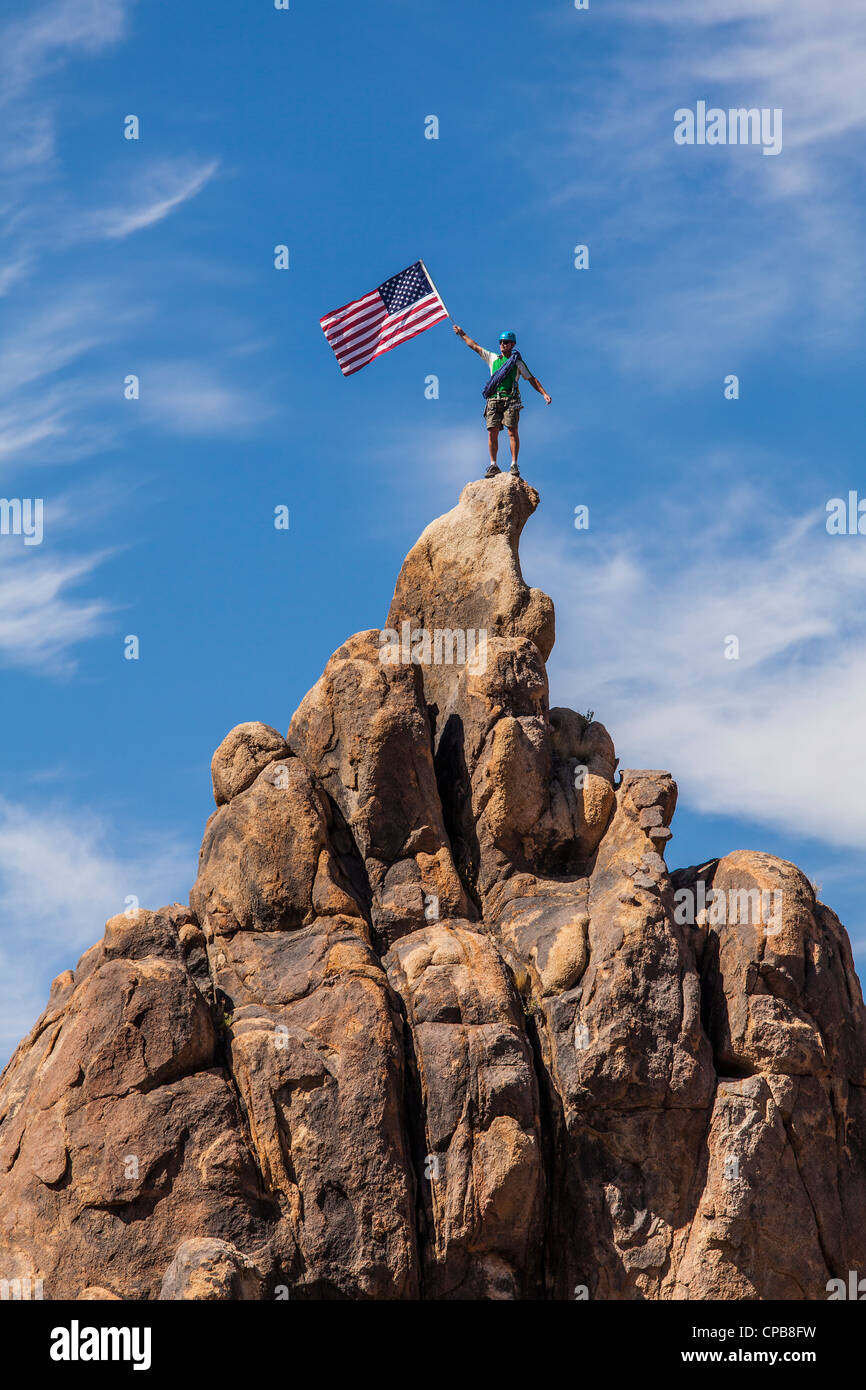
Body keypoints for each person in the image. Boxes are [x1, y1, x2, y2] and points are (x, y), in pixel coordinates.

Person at [453, 326, 551, 478]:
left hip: (510, 399)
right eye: (501, 342)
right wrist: (462, 334)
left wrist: (544, 394)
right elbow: (475, 346)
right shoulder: (493, 358)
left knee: (512, 431)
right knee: (492, 432)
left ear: (512, 345)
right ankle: (493, 465)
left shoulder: (517, 363)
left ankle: (514, 464)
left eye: (506, 342)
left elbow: (531, 379)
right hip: (494, 399)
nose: (502, 344)